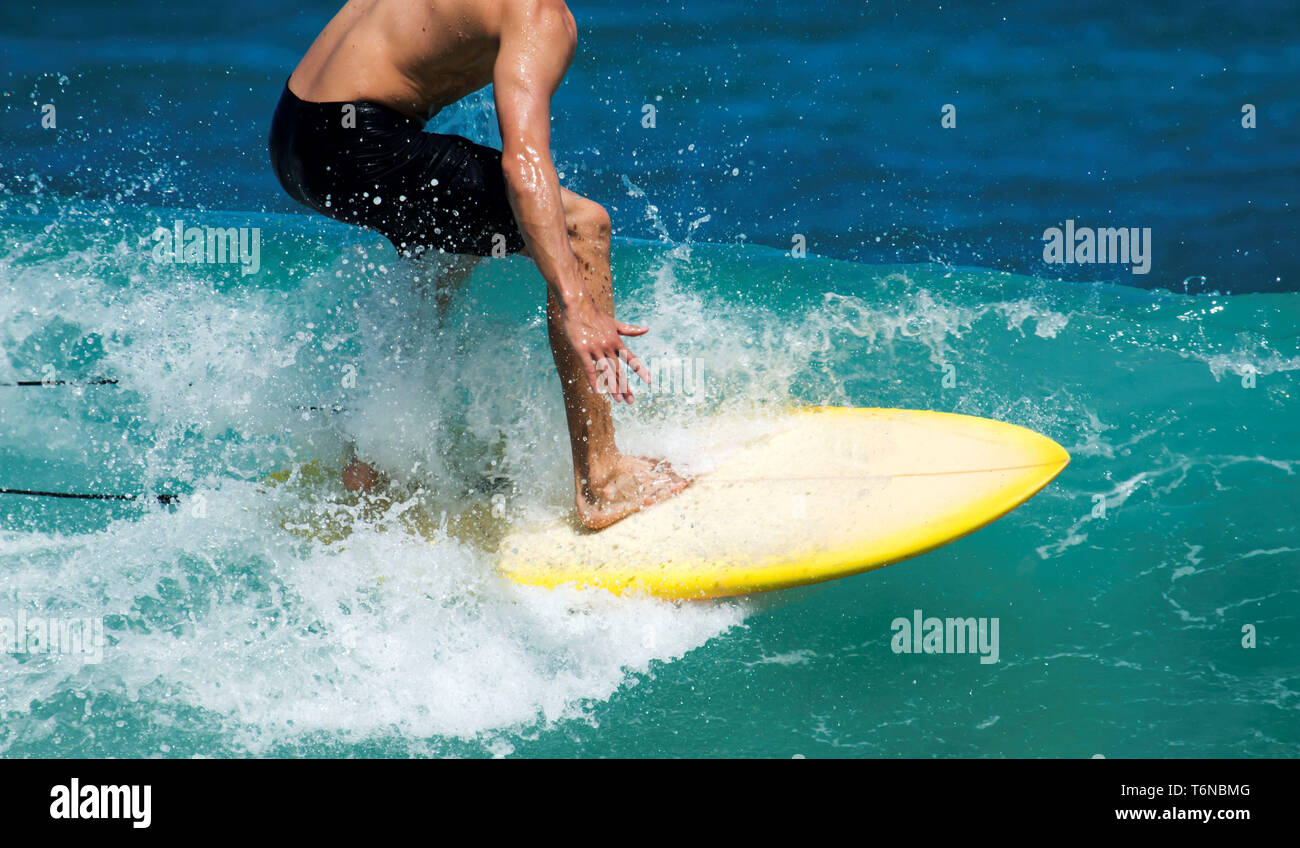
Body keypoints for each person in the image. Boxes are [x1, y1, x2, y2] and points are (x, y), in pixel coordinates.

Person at [269, 0, 688, 529]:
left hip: (294, 135)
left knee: (458, 238)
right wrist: (576, 301)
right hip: (360, 142)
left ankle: (370, 466)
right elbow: (523, 163)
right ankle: (602, 480)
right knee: (583, 226)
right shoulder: (541, 16)